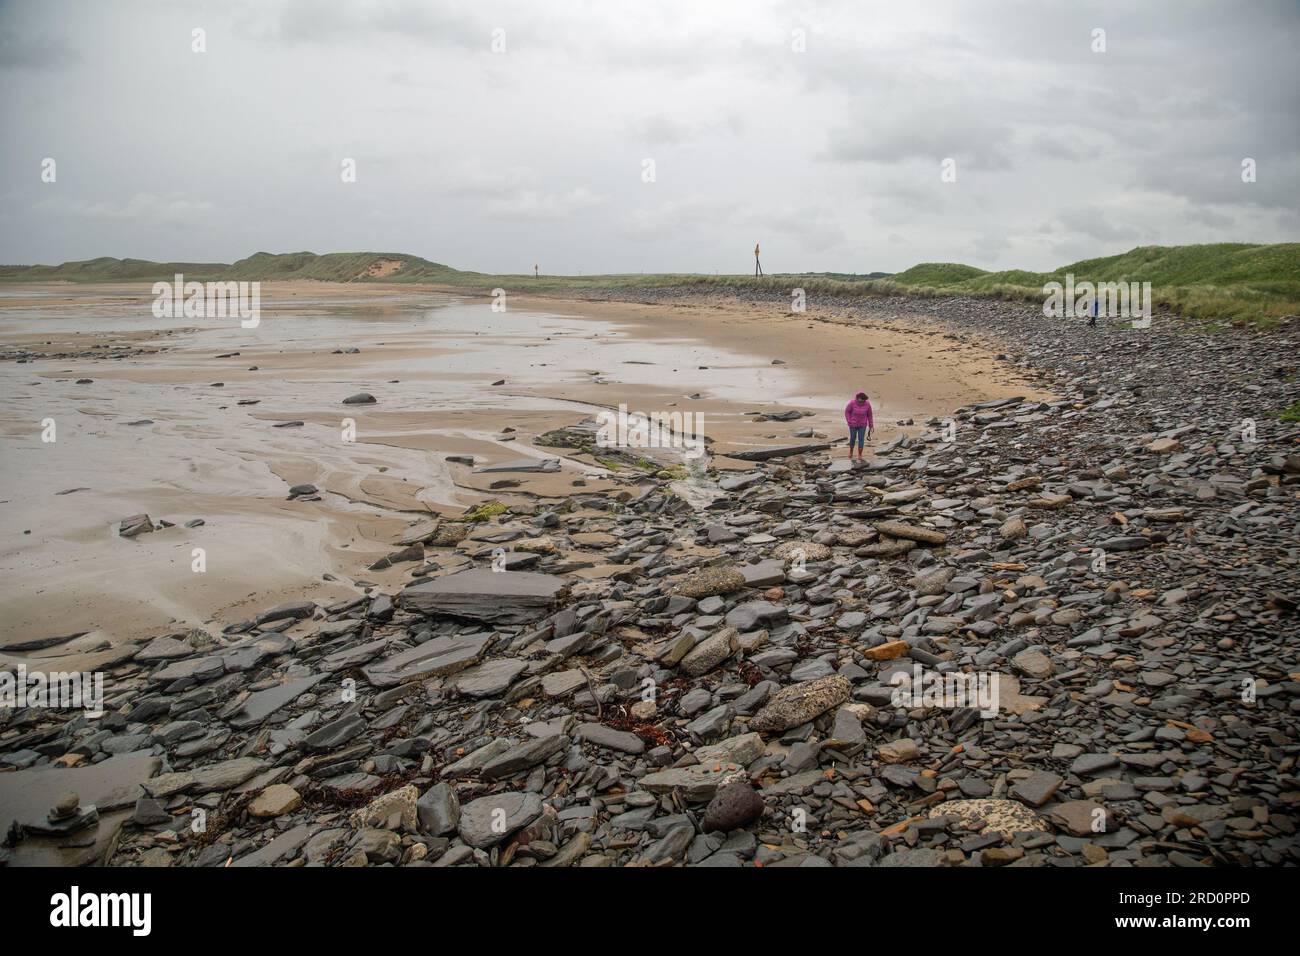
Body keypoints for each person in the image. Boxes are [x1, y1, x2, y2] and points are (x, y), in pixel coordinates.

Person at [844, 391, 874, 459]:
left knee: (861, 439)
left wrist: (871, 425)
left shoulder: (867, 404)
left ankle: (860, 454)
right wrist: (849, 421)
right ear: (858, 398)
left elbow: (870, 415)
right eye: (861, 400)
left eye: (864, 400)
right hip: (853, 424)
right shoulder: (852, 403)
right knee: (852, 438)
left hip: (862, 425)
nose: (862, 402)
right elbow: (847, 412)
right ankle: (851, 452)